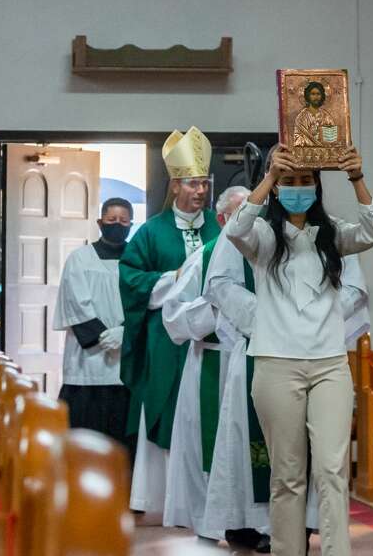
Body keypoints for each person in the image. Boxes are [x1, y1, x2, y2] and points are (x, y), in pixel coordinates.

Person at [227, 146, 373, 556]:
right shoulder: (263, 237)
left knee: (332, 471)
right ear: (278, 188)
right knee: (288, 476)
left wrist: (356, 177)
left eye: (305, 180)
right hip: (277, 364)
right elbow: (235, 230)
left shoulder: (330, 233)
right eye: (289, 181)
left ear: (316, 185)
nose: (298, 188)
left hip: (329, 364)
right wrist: (269, 176)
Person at [120, 127, 222, 516]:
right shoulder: (151, 231)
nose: (200, 191)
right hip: (166, 341)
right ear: (175, 184)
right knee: (165, 406)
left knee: (208, 414)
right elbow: (131, 281)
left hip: (212, 339)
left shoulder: (220, 227)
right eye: (193, 183)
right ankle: (161, 497)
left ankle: (208, 498)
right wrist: (177, 279)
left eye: (204, 183)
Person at [161, 185, 253, 541]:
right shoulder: (204, 257)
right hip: (213, 364)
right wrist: (216, 308)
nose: (249, 222)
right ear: (222, 219)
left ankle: (259, 524)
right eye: (239, 214)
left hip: (259, 362)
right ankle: (214, 522)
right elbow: (173, 318)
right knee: (214, 448)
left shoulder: (270, 251)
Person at [53, 197, 133, 443]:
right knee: (85, 441)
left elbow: (147, 299)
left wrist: (126, 333)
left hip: (128, 362)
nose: (117, 225)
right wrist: (102, 335)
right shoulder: (80, 259)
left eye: (123, 221)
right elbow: (75, 303)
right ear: (100, 222)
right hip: (87, 365)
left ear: (131, 224)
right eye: (111, 220)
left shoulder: (138, 259)